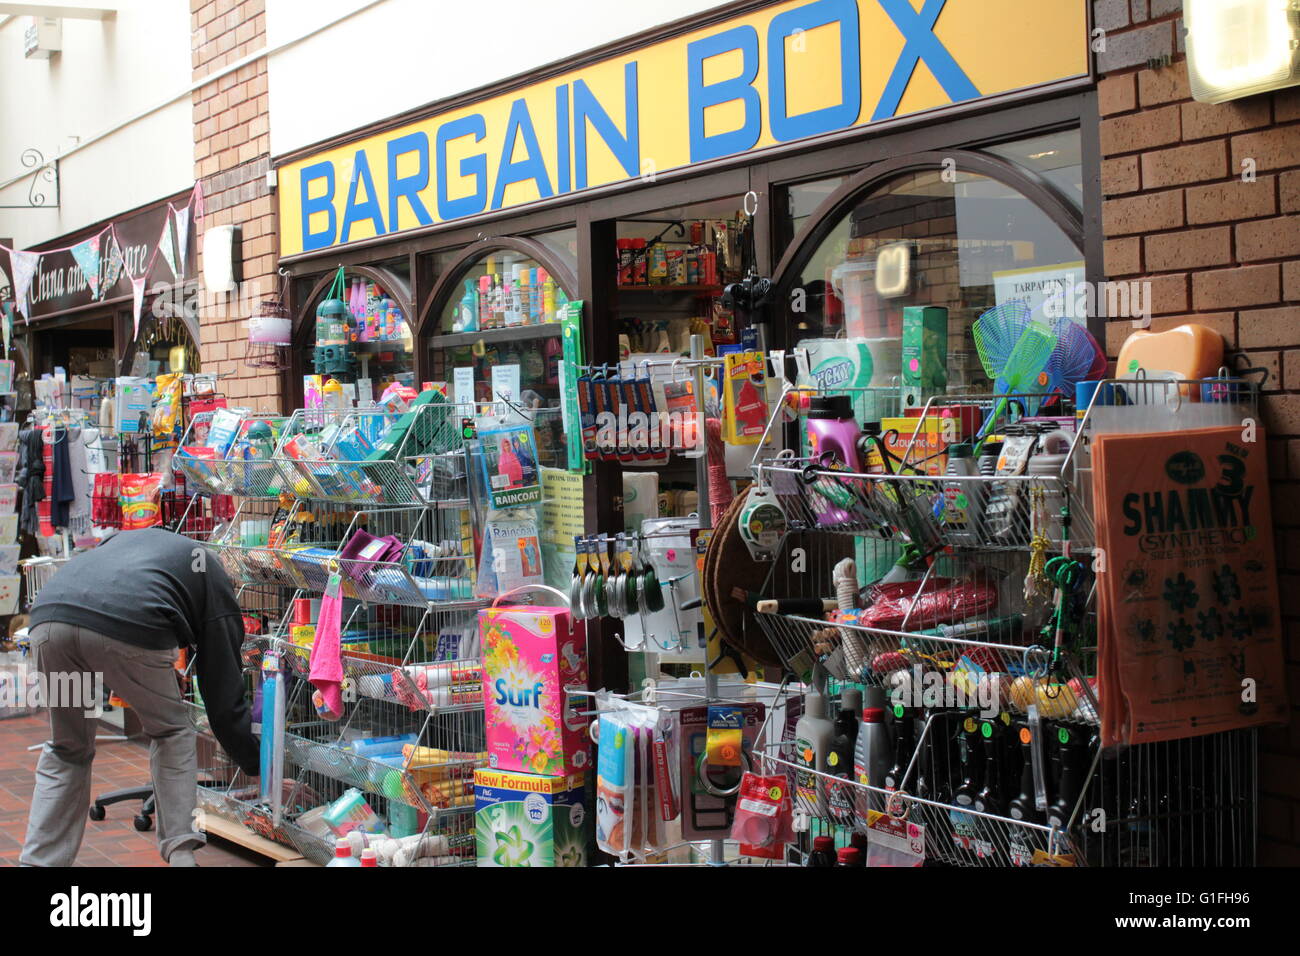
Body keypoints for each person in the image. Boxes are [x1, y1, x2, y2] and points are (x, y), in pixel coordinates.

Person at [20, 527, 259, 867]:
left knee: (67, 749)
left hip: (49, 625)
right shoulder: (212, 571)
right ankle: (181, 855)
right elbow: (222, 692)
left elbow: (100, 608)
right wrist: (256, 765)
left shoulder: (128, 541)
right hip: (126, 627)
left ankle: (37, 862)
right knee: (171, 731)